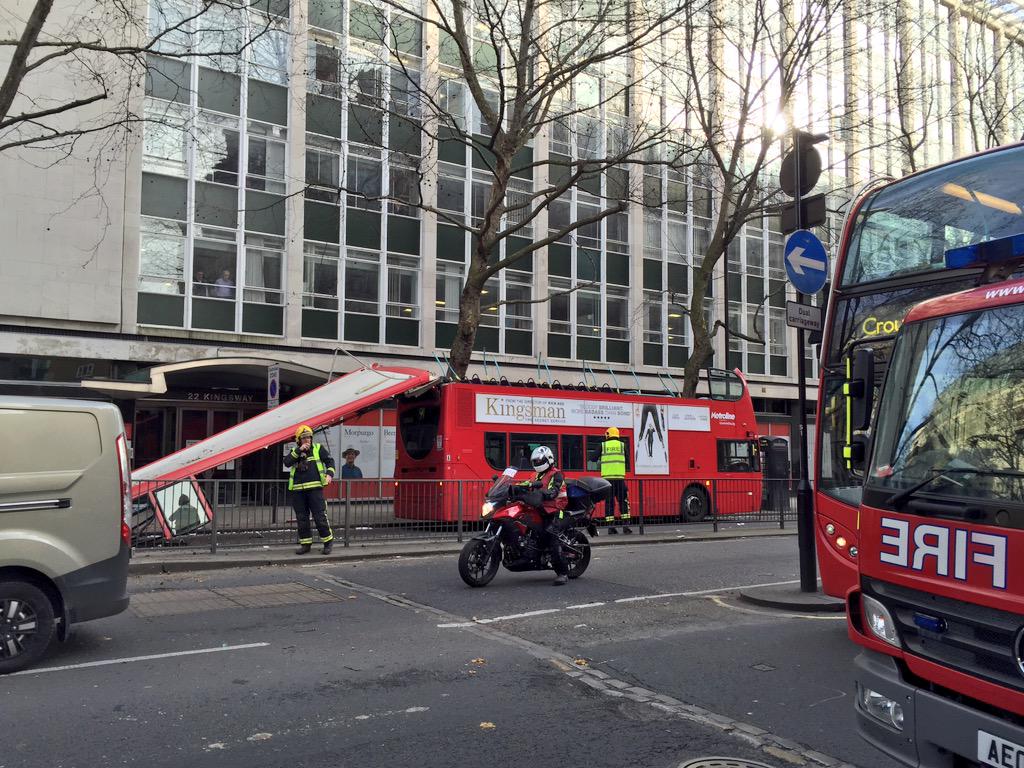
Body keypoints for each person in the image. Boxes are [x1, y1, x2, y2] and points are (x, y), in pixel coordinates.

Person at [284, 424, 336, 554]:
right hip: (298, 491)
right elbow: (287, 462)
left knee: (320, 517)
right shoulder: (295, 451)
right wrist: (298, 451)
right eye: (304, 438)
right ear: (298, 440)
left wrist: (329, 474)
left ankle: (328, 542)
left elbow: (330, 461)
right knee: (302, 519)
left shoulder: (318, 448)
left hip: (315, 490)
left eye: (309, 437)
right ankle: (305, 545)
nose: (307, 439)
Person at [526, 445, 571, 586]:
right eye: (535, 461)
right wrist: (513, 489)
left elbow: (554, 490)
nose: (537, 463)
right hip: (541, 509)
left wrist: (545, 493)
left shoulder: (556, 474)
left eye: (540, 461)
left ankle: (562, 573)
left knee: (551, 536)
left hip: (556, 509)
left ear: (548, 459)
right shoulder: (535, 475)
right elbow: (527, 485)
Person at [600, 427, 632, 534]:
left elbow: (592, 458)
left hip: (607, 481)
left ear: (608, 435)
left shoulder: (603, 445)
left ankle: (611, 528)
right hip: (620, 479)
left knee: (609, 503)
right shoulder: (622, 445)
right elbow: (628, 461)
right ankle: (626, 527)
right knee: (623, 502)